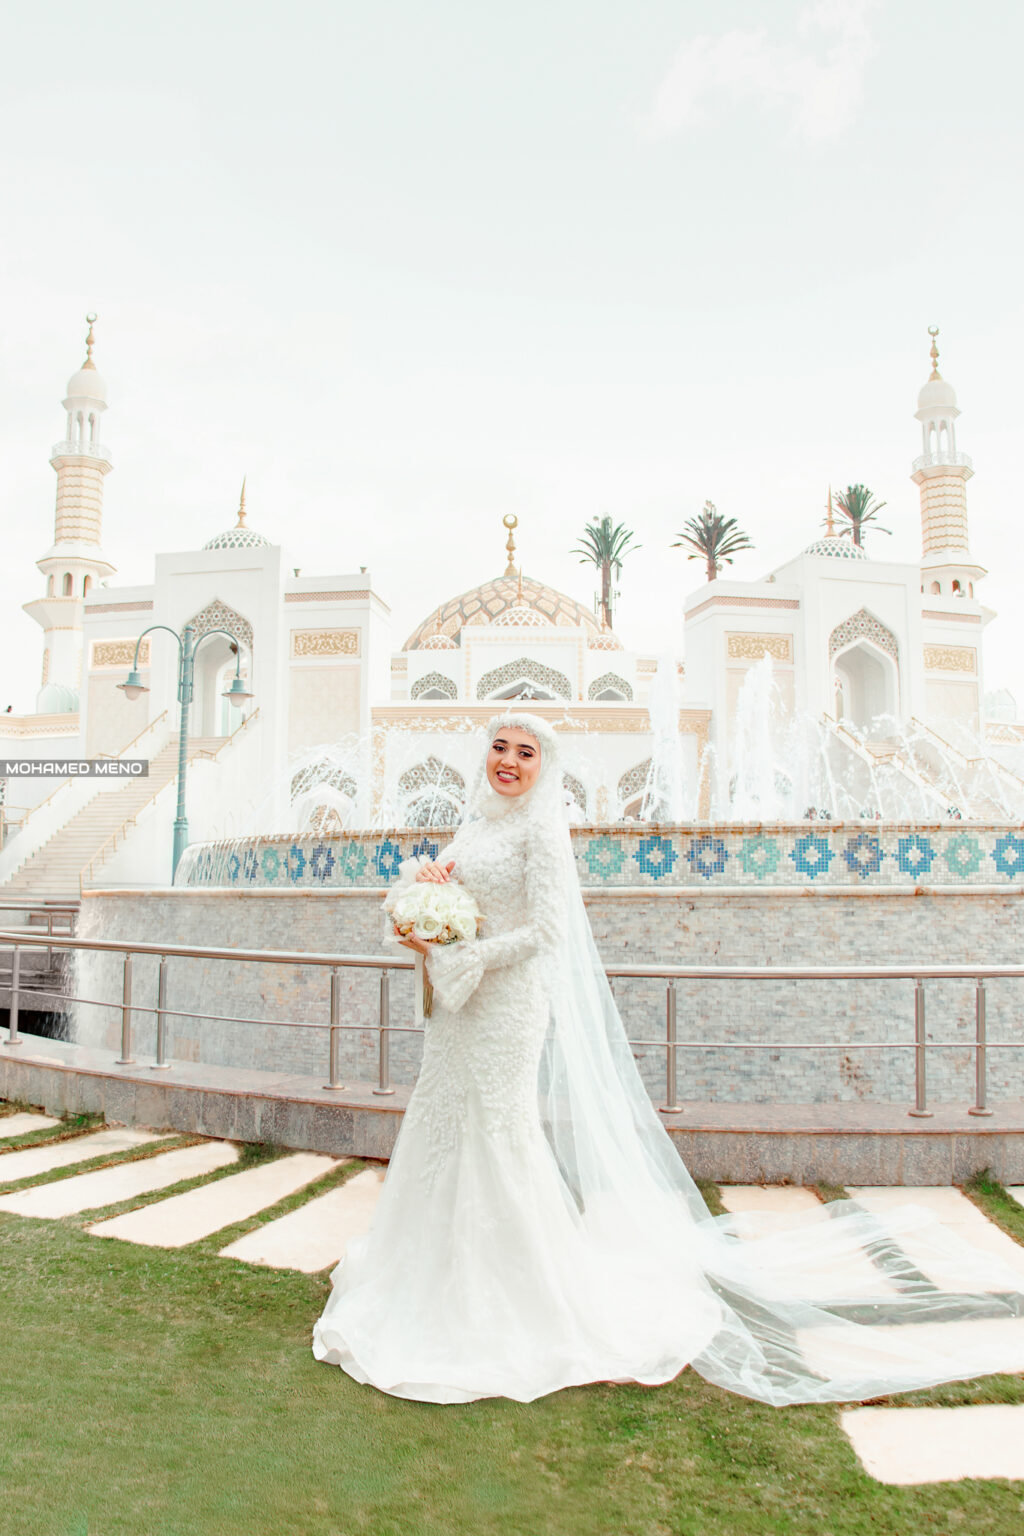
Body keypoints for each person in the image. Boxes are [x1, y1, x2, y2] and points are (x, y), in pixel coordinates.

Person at [313, 712, 1024, 1405]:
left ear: (543, 765)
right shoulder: (475, 821)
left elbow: (546, 934)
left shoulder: (541, 832)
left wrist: (467, 954)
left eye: (525, 752)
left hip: (505, 1007)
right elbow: (453, 896)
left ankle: (517, 1293)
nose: (508, 760)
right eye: (499, 747)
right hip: (456, 1009)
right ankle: (432, 1276)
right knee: (444, 1123)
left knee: (498, 1131)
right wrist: (422, 924)